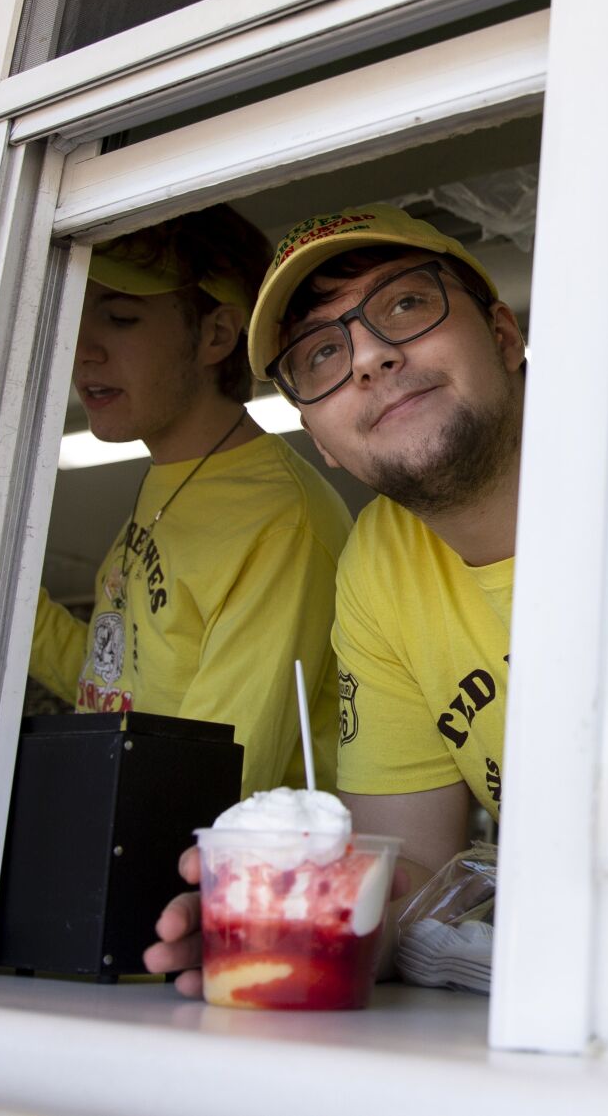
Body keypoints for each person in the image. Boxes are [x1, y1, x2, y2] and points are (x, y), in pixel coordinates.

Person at [144, 203, 526, 995]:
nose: (369, 359)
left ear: (504, 335)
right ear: (321, 440)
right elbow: (410, 874)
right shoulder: (378, 564)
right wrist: (300, 918)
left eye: (405, 305)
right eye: (322, 353)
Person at [29, 205, 355, 795]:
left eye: (121, 318)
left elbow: (212, 778)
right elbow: (119, 673)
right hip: (124, 832)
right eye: (81, 321)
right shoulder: (175, 474)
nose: (85, 351)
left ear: (216, 334)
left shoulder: (278, 520)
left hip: (198, 870)